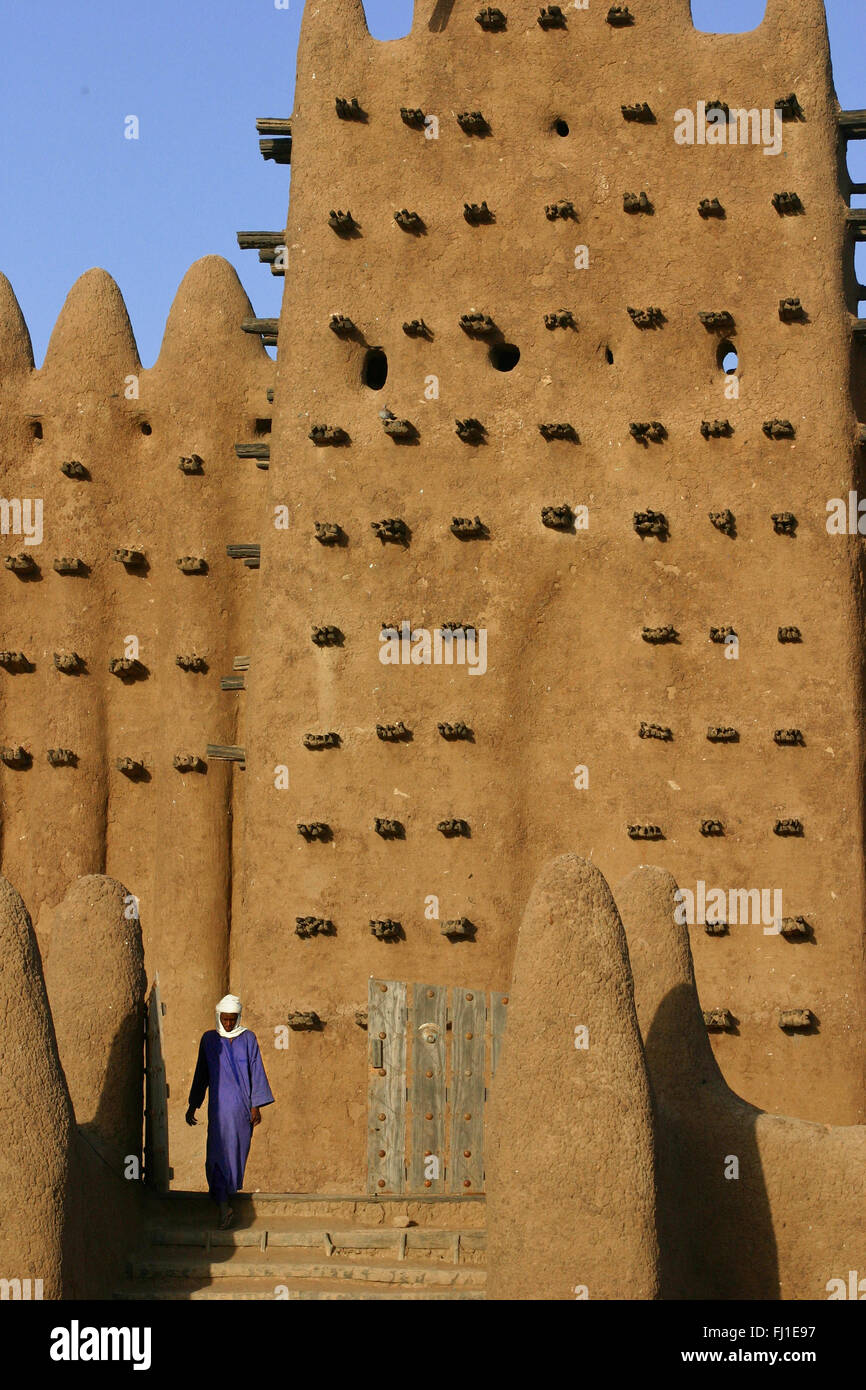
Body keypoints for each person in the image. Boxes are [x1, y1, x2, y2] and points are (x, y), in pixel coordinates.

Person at [185, 993, 274, 1228]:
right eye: (224, 1019)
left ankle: (224, 1199)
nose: (228, 1024)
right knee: (217, 1155)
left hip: (242, 1110)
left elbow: (256, 1071)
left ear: (238, 1017)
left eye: (232, 1020)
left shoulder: (248, 1039)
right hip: (218, 1110)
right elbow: (201, 1074)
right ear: (218, 1017)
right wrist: (193, 1104)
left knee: (235, 1153)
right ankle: (224, 1207)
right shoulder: (209, 1040)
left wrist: (256, 1105)